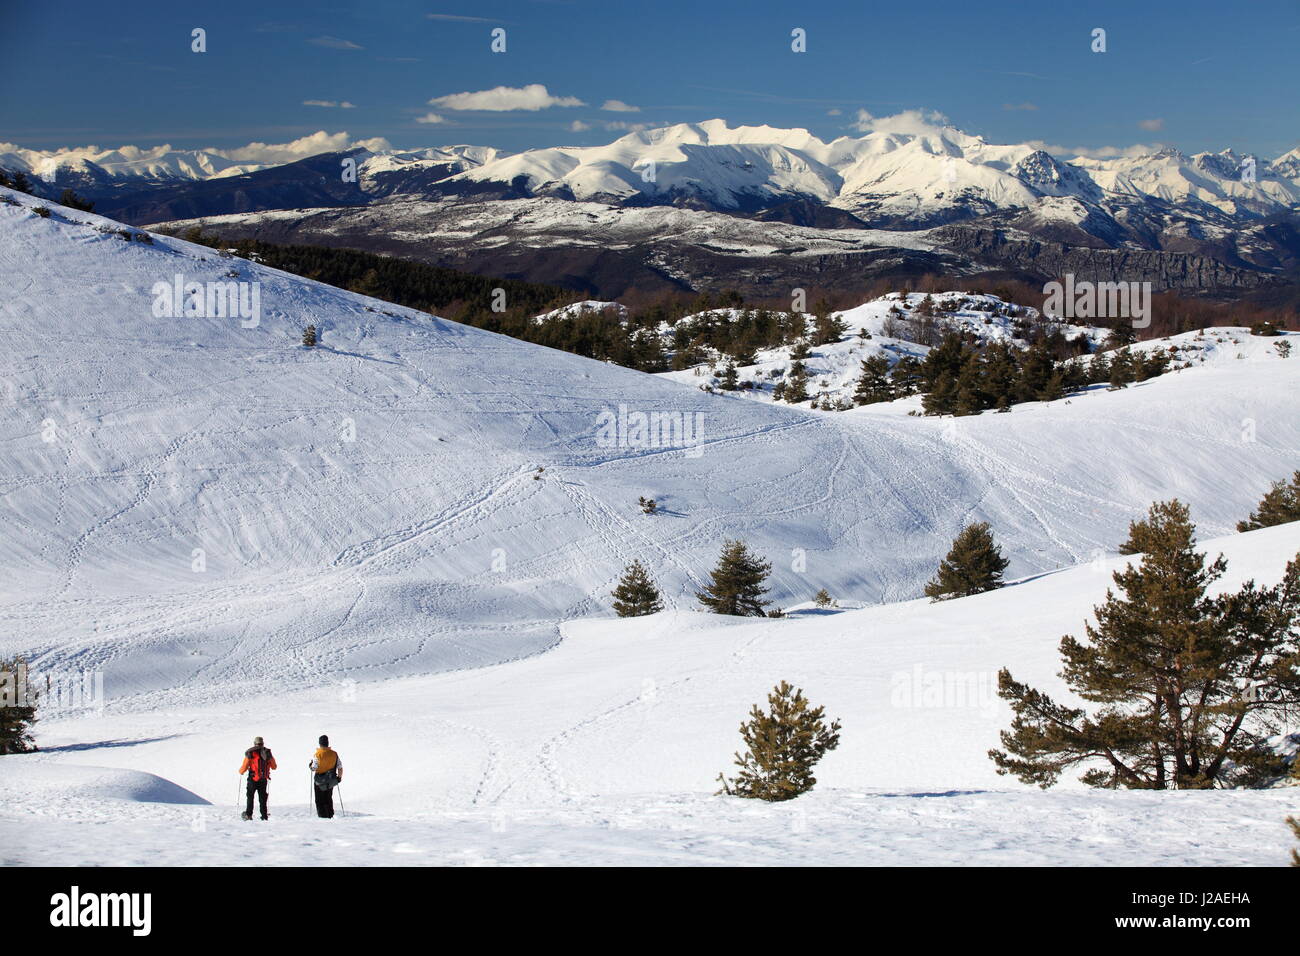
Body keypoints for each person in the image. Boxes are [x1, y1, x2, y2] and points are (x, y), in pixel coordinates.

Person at [239, 736, 277, 821]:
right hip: (263, 779)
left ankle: (249, 815)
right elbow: (274, 766)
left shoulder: (251, 753)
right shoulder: (267, 753)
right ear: (263, 743)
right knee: (263, 798)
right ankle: (264, 816)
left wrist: (241, 771)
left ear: (254, 743)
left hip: (253, 779)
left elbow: (245, 766)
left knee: (250, 796)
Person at [309, 734, 342, 818]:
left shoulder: (318, 754)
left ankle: (322, 817)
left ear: (320, 743)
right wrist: (339, 777)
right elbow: (340, 767)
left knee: (319, 800)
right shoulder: (334, 754)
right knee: (328, 798)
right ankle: (330, 815)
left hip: (319, 781)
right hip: (331, 780)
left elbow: (314, 768)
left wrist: (310, 766)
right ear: (327, 743)